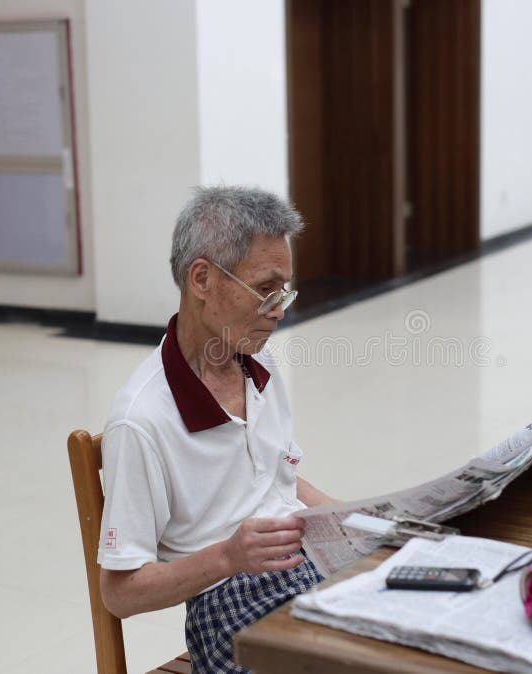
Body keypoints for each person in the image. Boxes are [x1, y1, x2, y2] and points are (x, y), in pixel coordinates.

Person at [97, 185, 336, 673]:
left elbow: (277, 479)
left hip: (307, 563)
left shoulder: (258, 363)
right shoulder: (141, 420)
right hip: (231, 601)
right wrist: (228, 557)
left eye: (284, 290)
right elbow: (119, 592)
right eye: (266, 289)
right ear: (202, 279)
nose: (279, 309)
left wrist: (364, 521)